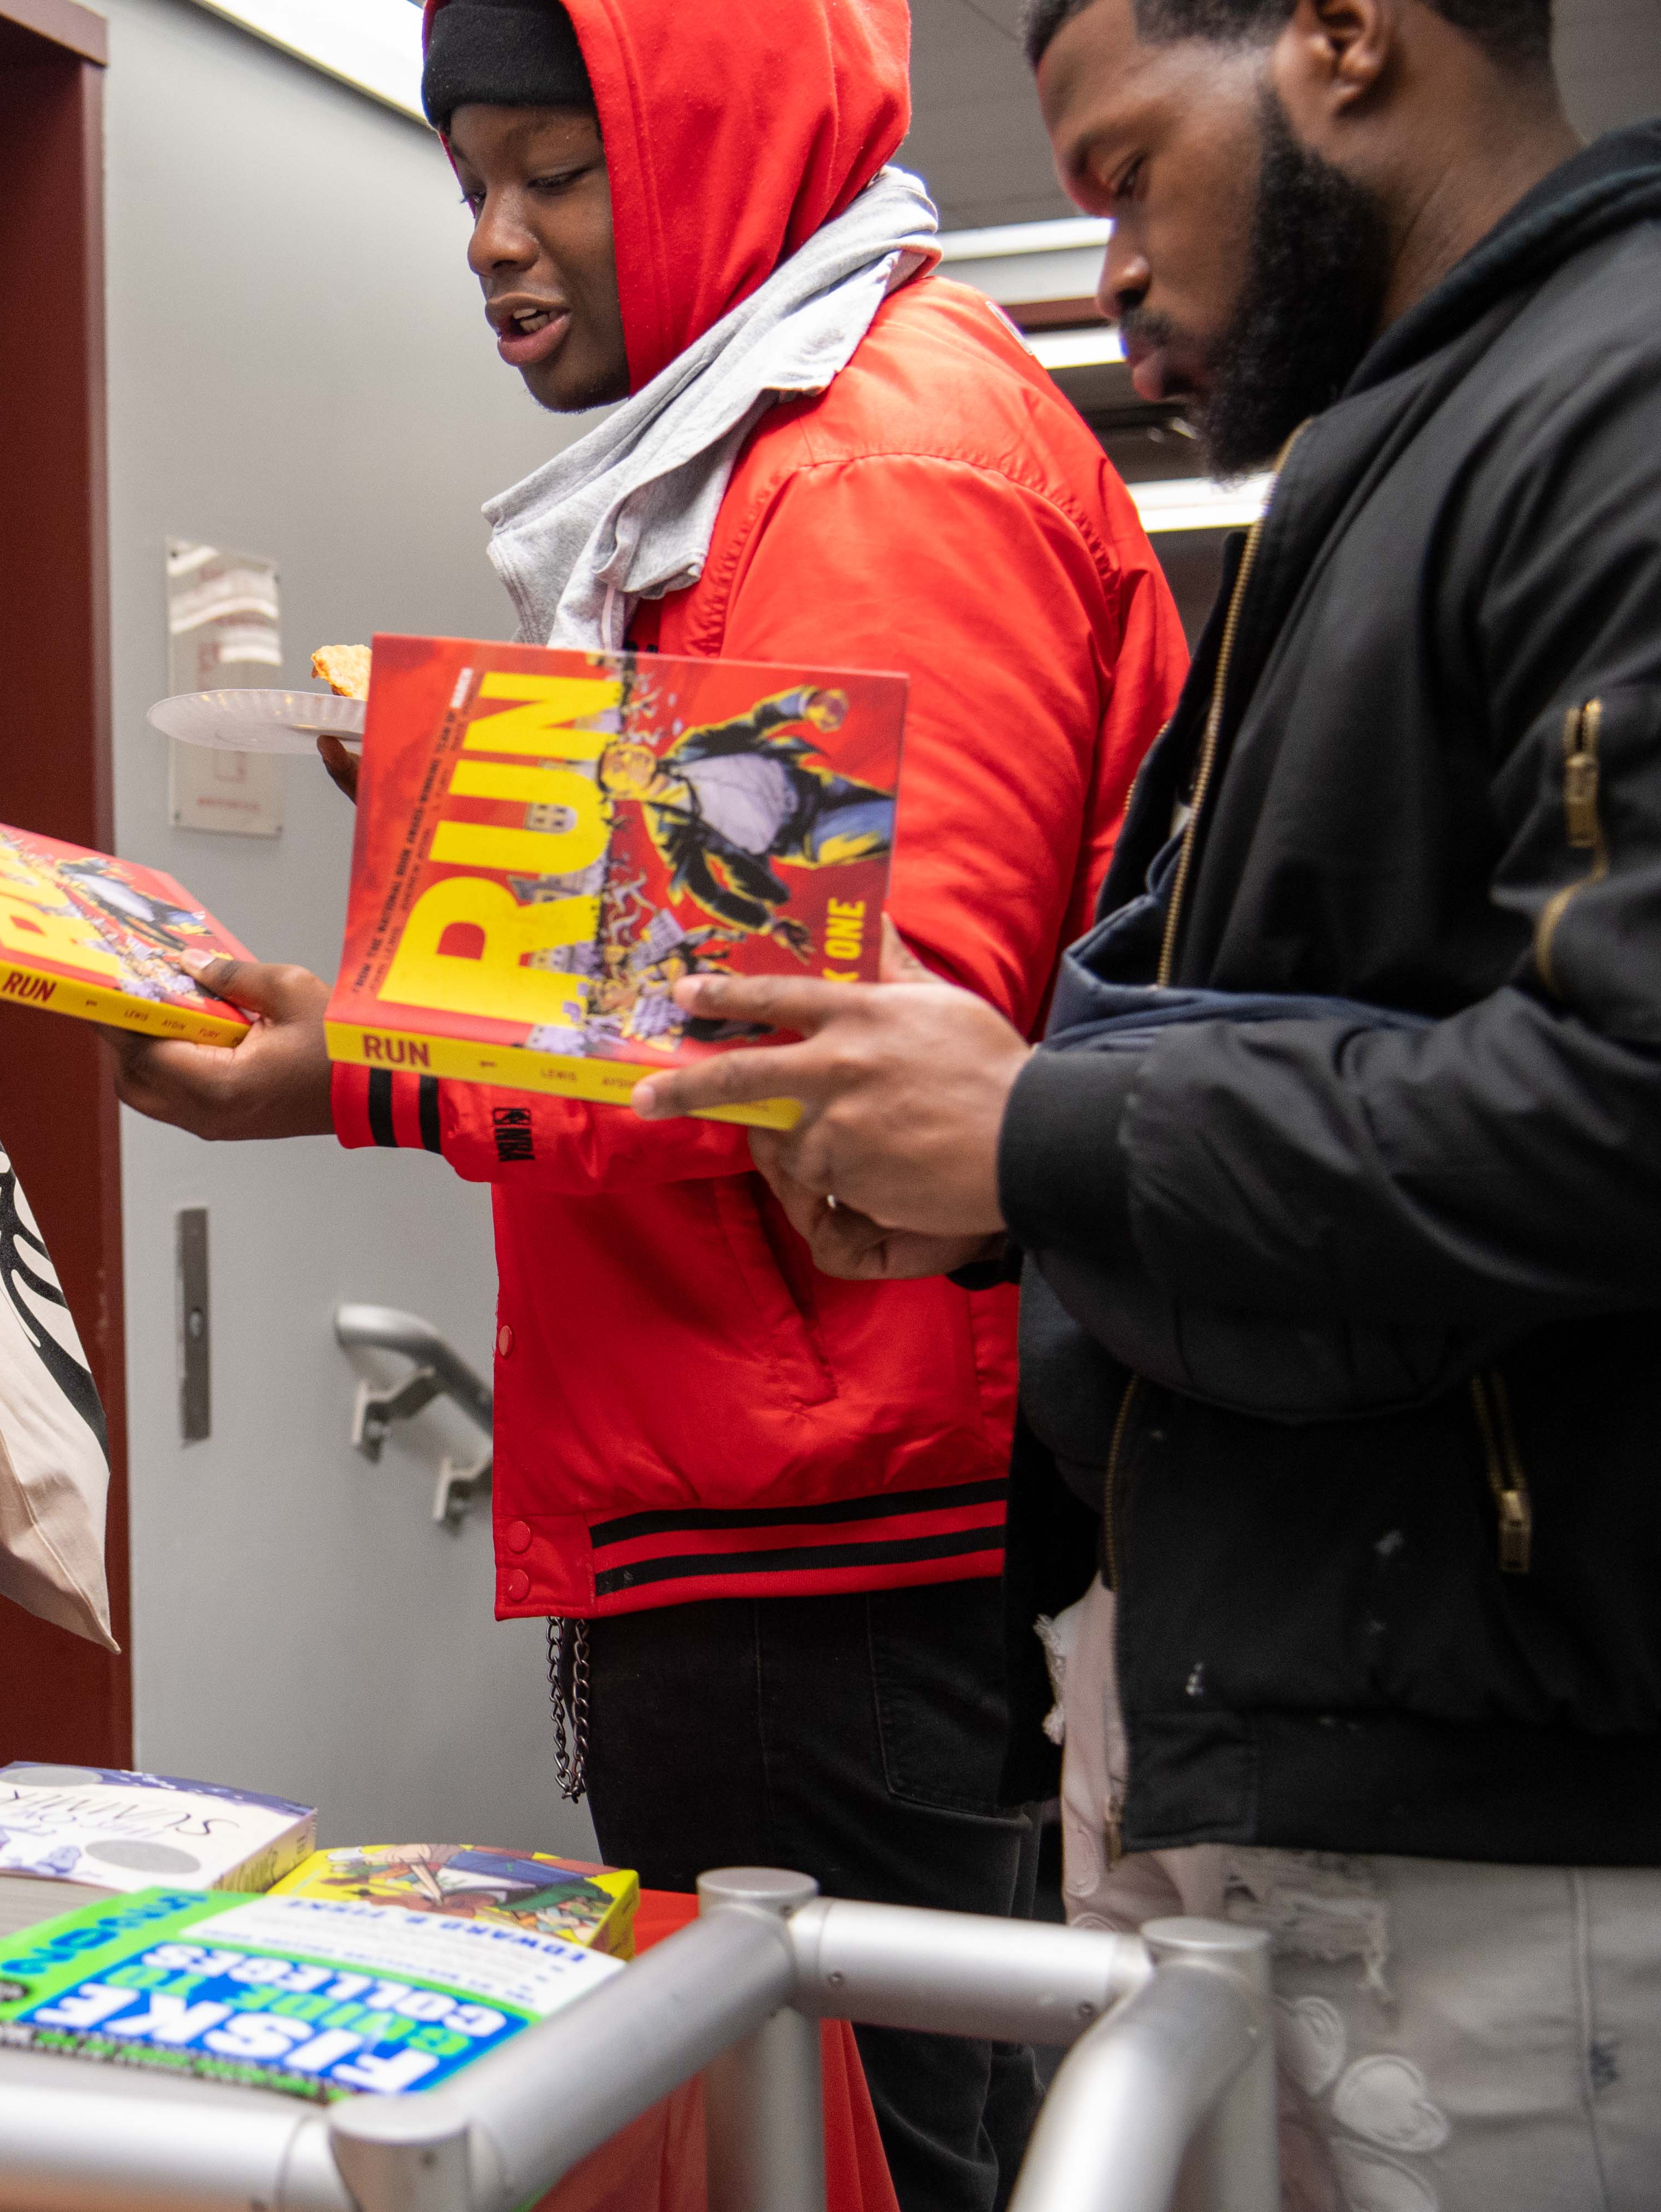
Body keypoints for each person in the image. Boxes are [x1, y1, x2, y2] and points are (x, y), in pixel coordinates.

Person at [109, 4, 1184, 2204]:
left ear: (715, 140)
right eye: (468, 182)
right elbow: (727, 937)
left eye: (556, 174)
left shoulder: (868, 471)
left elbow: (858, 1088)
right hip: (797, 1490)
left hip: (837, 1524)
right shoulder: (779, 449)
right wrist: (407, 942)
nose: (493, 245)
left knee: (864, 2160)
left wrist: (351, 1061)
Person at [633, 0, 1661, 2200]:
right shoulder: (1397, 463)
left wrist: (1033, 1139)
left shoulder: (1617, 398)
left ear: (1343, 36)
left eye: (1121, 175)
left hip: (1518, 1812)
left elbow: (1629, 1098)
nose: (1103, 266)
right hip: (1324, 1751)